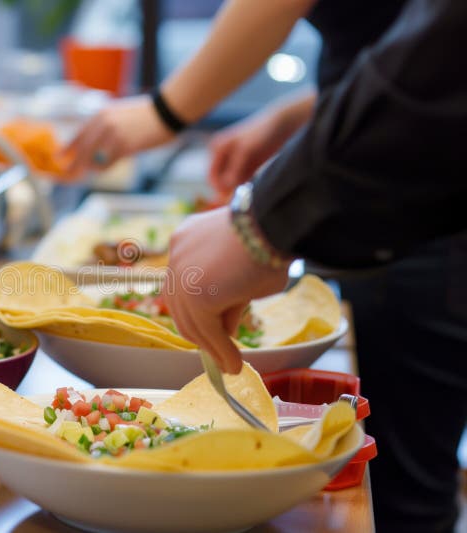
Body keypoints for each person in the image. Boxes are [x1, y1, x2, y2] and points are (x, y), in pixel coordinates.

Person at [67, 1, 467, 531]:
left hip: (419, 226)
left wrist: (257, 220)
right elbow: (399, 48)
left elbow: (442, 55)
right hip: (407, 214)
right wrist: (297, 119)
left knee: (405, 493)